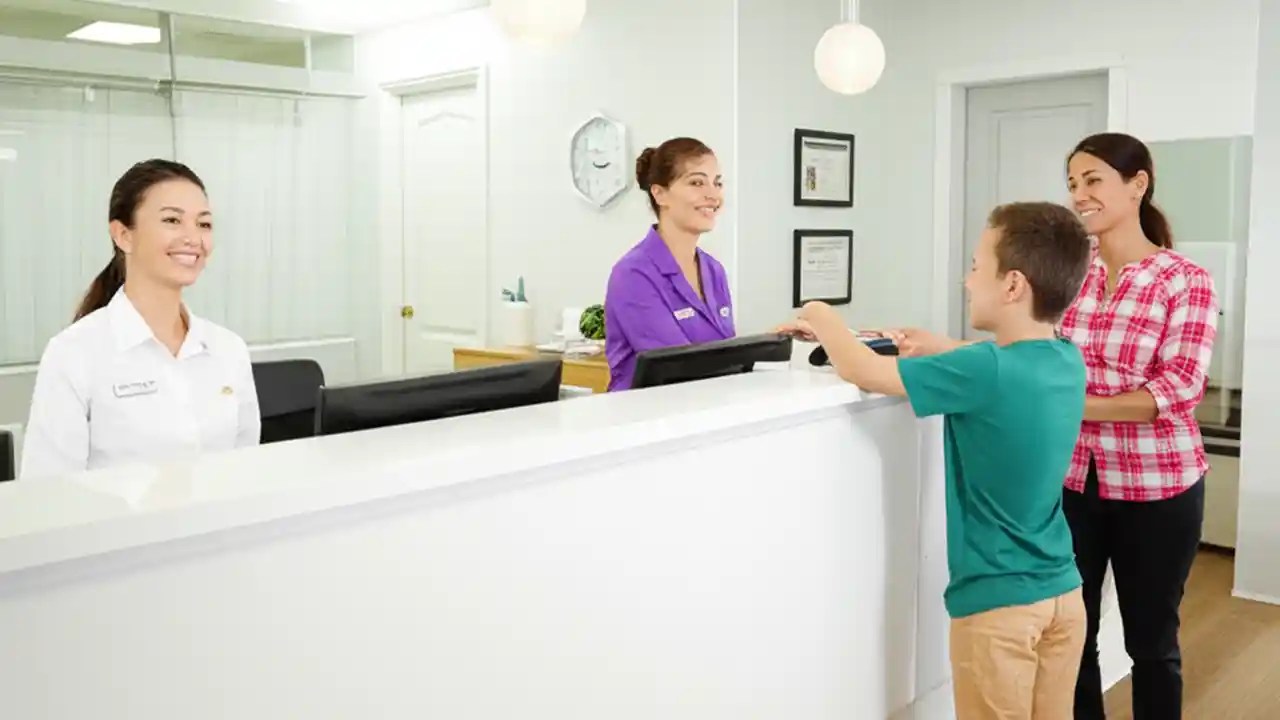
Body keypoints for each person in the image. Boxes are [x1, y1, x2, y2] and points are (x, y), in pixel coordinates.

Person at [782, 201, 1093, 719]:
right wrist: (942, 348)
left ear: (1013, 285)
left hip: (998, 608)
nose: (967, 280)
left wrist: (818, 315)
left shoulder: (984, 369)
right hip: (1063, 596)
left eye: (976, 266)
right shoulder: (1066, 358)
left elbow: (862, 369)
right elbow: (1004, 367)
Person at [20, 159, 260, 479]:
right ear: (123, 235)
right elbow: (45, 495)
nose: (193, 238)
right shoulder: (74, 353)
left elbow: (246, 472)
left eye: (204, 224)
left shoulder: (229, 349)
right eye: (172, 220)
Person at [604, 137, 733, 391]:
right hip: (645, 421)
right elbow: (678, 368)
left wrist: (773, 342)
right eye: (697, 182)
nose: (713, 195)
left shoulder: (714, 270)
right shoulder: (633, 274)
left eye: (717, 183)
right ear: (660, 193)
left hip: (703, 412)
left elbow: (726, 355)